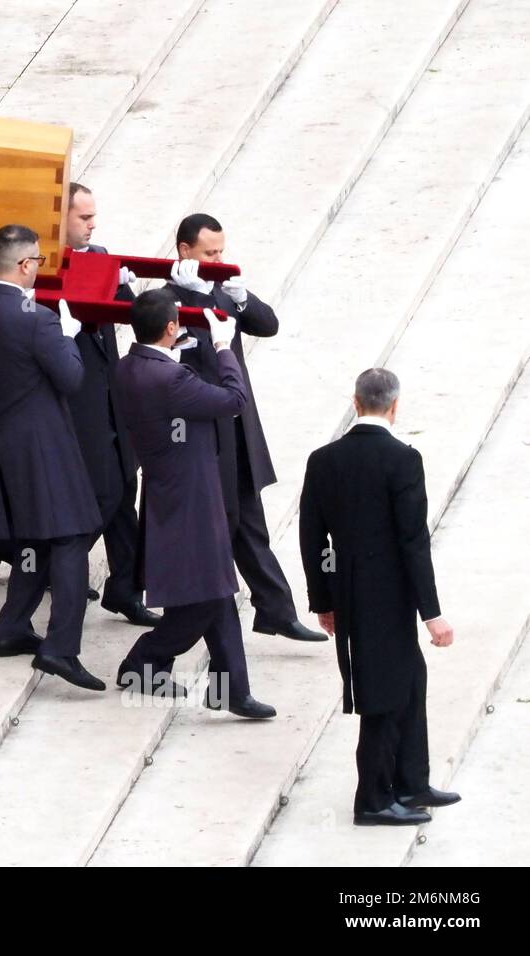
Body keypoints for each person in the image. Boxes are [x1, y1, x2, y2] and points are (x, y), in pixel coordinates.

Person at [299, 368, 459, 826]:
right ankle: (372, 799)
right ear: (394, 406)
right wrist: (433, 614)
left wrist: (323, 599)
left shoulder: (322, 459)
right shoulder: (403, 458)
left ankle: (410, 781)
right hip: (388, 593)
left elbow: (313, 538)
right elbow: (413, 541)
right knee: (384, 691)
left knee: (409, 680)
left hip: (349, 589)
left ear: (355, 402)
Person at [0, 225, 104, 690]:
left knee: (31, 541)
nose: (40, 268)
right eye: (38, 261)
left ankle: (13, 627)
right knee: (69, 538)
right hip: (42, 443)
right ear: (23, 265)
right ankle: (61, 649)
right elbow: (71, 379)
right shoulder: (38, 319)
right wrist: (71, 335)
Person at [113, 288, 276, 719]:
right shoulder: (171, 379)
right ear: (171, 328)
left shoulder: (129, 366)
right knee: (206, 598)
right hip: (192, 499)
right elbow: (233, 400)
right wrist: (223, 346)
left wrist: (178, 356)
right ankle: (143, 661)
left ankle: (231, 690)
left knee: (217, 592)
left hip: (171, 490)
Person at [167, 213, 324, 642]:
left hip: (236, 426)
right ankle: (190, 612)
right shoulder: (165, 297)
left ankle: (276, 609)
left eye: (221, 251)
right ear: (185, 252)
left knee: (250, 519)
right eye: (208, 253)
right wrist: (199, 302)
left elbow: (267, 324)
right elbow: (184, 354)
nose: (218, 260)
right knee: (218, 524)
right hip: (201, 431)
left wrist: (240, 298)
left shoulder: (219, 290)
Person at [65, 182, 159, 625]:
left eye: (92, 216)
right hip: (77, 397)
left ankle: (124, 588)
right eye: (83, 217)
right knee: (103, 493)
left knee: (125, 491)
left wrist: (126, 289)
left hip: (112, 390)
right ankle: (55, 567)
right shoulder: (44, 264)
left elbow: (123, 312)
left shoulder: (99, 254)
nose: (92, 224)